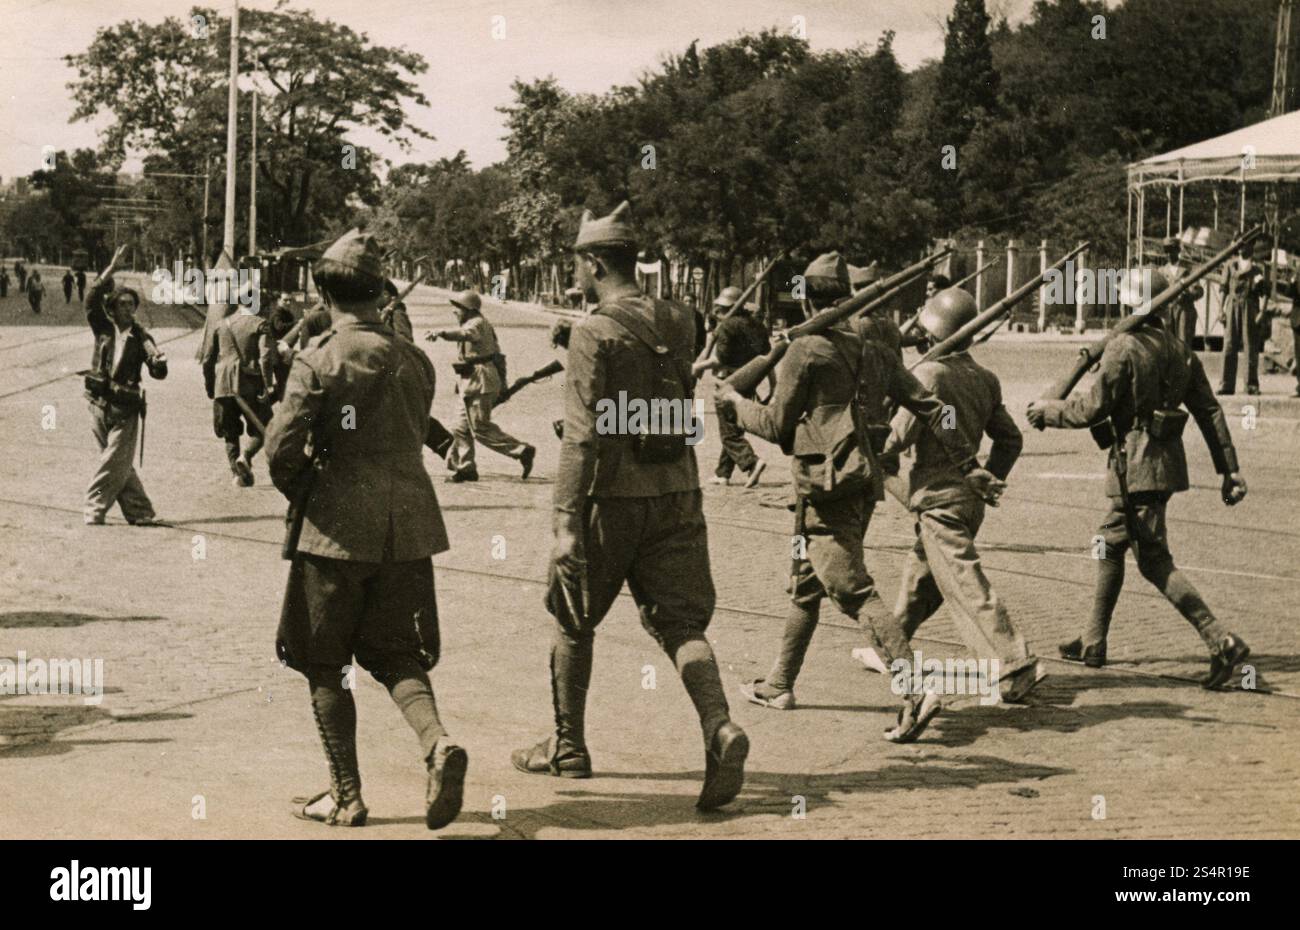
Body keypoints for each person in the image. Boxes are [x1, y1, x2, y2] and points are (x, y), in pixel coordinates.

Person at [511, 202, 748, 810]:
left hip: (609, 500)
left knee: (571, 617)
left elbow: (584, 435)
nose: (577, 276)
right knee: (683, 625)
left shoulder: (595, 331)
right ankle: (719, 727)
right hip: (677, 492)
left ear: (593, 262)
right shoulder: (683, 319)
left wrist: (564, 522)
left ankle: (568, 746)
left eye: (579, 266)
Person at [716, 251, 1004, 742]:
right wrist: (970, 464)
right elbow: (934, 409)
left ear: (807, 301)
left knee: (852, 590)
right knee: (809, 584)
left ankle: (915, 689)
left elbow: (779, 428)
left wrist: (736, 405)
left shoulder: (805, 352)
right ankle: (779, 683)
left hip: (823, 489)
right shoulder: (873, 351)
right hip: (858, 485)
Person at [265, 229, 466, 830]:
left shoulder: (319, 358)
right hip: (408, 529)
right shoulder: (416, 358)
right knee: (397, 652)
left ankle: (346, 794)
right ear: (380, 290)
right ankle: (437, 744)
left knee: (324, 660)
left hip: (335, 531)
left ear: (322, 290)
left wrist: (307, 490)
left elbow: (279, 450)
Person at [1027, 268, 1252, 690]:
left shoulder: (1123, 347)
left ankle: (1221, 639)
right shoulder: (1180, 351)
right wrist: (1229, 469)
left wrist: (1048, 412)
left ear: (1129, 304)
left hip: (1133, 469)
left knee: (1153, 561)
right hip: (1162, 467)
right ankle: (1094, 641)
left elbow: (1092, 409)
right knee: (1110, 545)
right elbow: (1210, 411)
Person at [877, 287, 1043, 703]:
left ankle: (1014, 661)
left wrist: (866, 441)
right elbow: (1010, 439)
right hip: (966, 502)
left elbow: (898, 437)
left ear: (932, 333)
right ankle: (890, 645)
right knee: (920, 581)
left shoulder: (931, 376)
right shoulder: (984, 378)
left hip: (937, 499)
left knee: (968, 584)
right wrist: (988, 479)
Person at [82, 245, 168, 526]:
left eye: (132, 305)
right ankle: (139, 511)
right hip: (97, 405)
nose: (128, 309)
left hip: (125, 407)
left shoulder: (143, 338)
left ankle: (94, 507)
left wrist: (158, 362)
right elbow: (91, 298)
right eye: (123, 305)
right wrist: (112, 267)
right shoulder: (103, 329)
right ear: (113, 308)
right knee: (117, 462)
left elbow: (159, 373)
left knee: (114, 460)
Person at [426, 290, 535, 482]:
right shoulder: (474, 322)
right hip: (470, 381)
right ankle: (466, 467)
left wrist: (442, 333)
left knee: (480, 428)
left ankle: (521, 450)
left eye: (458, 309)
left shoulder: (477, 323)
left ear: (468, 309)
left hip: (480, 381)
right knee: (460, 428)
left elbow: (467, 334)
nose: (455, 313)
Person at [695, 285, 769, 488]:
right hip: (749, 381)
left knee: (729, 434)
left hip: (727, 381)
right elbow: (767, 358)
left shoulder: (728, 326)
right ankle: (723, 473)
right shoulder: (758, 326)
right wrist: (773, 384)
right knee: (733, 427)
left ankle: (751, 463)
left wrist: (697, 366)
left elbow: (720, 359)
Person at [202, 295, 275, 486]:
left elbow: (208, 359)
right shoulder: (260, 324)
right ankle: (246, 456)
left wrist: (210, 386)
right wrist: (268, 385)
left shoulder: (221, 324)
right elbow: (265, 357)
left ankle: (237, 476)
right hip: (249, 384)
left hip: (223, 385)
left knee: (230, 432)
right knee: (265, 425)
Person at [1217, 242, 1269, 395]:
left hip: (1250, 307)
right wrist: (1221, 309)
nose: (1241, 247)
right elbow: (1223, 288)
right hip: (1232, 306)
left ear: (1251, 247)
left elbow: (1265, 292)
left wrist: (1262, 312)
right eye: (1239, 243)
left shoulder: (1258, 268)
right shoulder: (1230, 265)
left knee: (1251, 346)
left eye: (1245, 244)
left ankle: (1251, 385)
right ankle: (1226, 384)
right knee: (1228, 345)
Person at [1159, 237, 1202, 347]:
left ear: (1177, 250)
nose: (1168, 254)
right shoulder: (1162, 271)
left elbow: (1199, 291)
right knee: (1168, 345)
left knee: (1183, 344)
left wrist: (1188, 295)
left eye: (1171, 250)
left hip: (1184, 311)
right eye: (1166, 251)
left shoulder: (1189, 269)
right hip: (1167, 313)